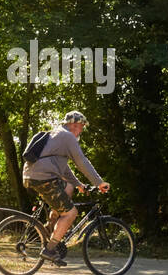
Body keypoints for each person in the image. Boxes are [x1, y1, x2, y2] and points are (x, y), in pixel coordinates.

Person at [22, 111, 110, 265]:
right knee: (71, 213)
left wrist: (79, 185)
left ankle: (51, 227)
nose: (81, 130)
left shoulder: (57, 134)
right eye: (82, 126)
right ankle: (49, 249)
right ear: (75, 124)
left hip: (32, 176)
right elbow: (81, 161)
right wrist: (99, 182)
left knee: (67, 191)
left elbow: (64, 169)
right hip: (44, 178)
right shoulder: (68, 136)